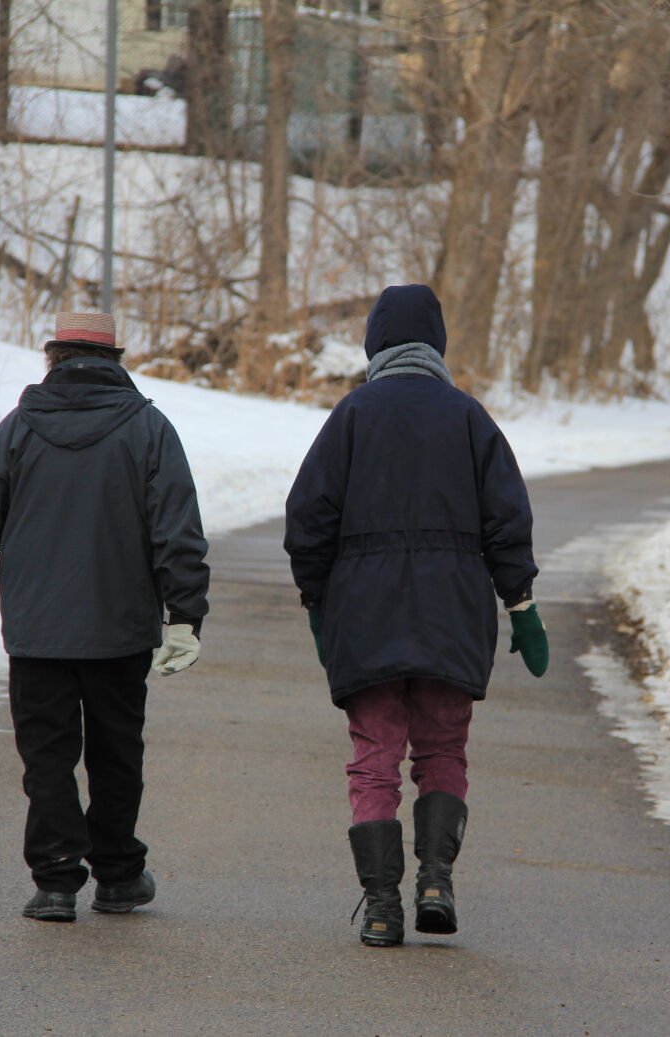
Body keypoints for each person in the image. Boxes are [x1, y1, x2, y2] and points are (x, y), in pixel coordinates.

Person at [284, 284, 549, 947]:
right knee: (441, 752)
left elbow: (307, 519)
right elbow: (507, 519)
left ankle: (380, 905)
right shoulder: (468, 418)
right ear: (436, 345)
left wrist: (318, 601)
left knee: (373, 759)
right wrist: (520, 603)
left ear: (374, 344)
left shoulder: (350, 415)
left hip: (365, 616)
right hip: (452, 614)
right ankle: (434, 879)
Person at [0, 311, 209, 923]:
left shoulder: (18, 430)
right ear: (116, 359)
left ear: (51, 359)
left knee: (48, 757)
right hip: (119, 631)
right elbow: (178, 531)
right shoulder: (148, 429)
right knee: (117, 755)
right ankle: (117, 876)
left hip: (37, 631)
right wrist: (184, 615)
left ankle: (56, 880)